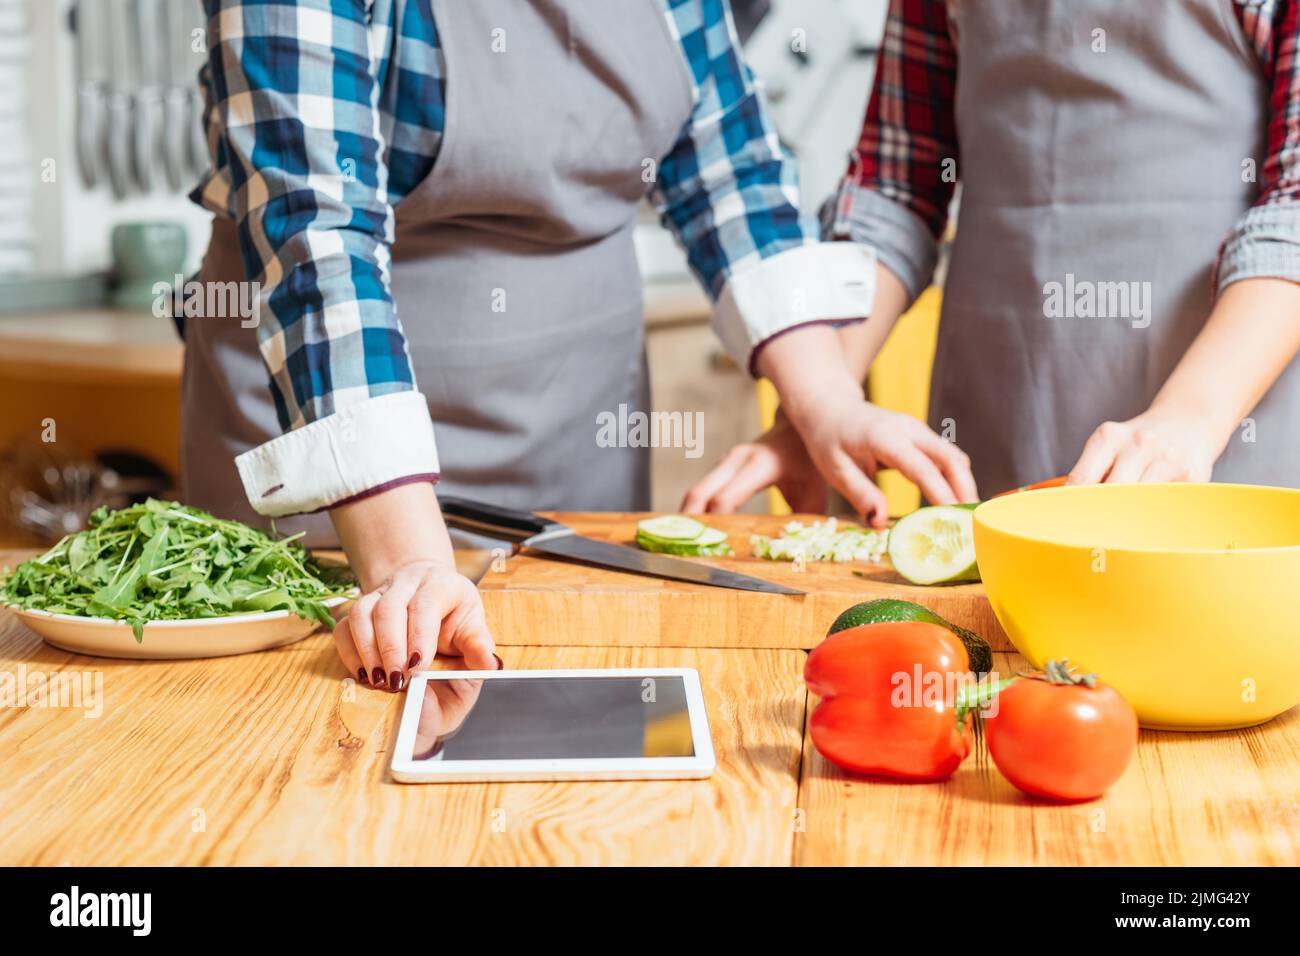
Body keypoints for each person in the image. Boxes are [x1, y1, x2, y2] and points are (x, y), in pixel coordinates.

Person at [180, 0, 905, 690]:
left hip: (576, 424)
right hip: (338, 439)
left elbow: (726, 165)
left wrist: (824, 393)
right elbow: (315, 226)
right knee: (329, 742)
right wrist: (406, 562)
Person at [685, 0, 1300, 517]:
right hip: (989, 447)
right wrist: (821, 411)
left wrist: (1190, 419)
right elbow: (899, 183)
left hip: (1221, 449)